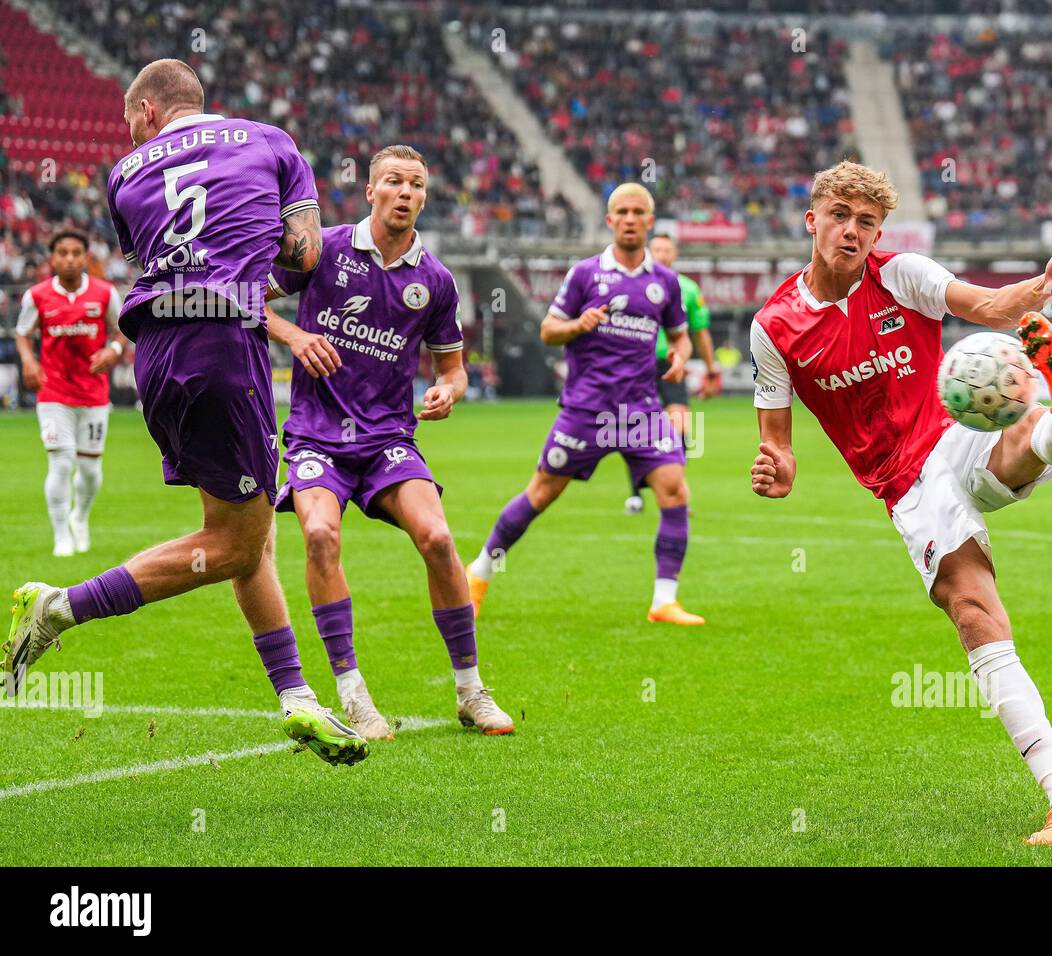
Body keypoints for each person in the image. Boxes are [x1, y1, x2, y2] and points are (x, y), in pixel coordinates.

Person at [3, 59, 366, 765]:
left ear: (146, 114)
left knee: (244, 526)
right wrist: (274, 267)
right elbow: (305, 250)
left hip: (155, 354)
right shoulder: (270, 141)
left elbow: (160, 257)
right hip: (224, 347)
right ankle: (57, 607)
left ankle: (296, 699)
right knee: (234, 541)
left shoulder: (125, 172)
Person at [750, 162, 1052, 845]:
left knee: (1025, 428)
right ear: (812, 218)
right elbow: (778, 442)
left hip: (952, 434)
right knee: (973, 609)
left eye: (867, 222)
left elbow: (989, 308)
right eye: (841, 215)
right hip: (906, 486)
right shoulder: (774, 328)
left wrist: (1043, 285)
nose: (852, 230)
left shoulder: (900, 274)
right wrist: (778, 467)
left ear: (879, 232)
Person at [265, 144, 514, 739]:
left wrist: (449, 391)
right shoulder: (319, 249)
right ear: (371, 191)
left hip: (385, 439)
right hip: (316, 437)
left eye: (417, 184)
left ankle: (471, 691)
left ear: (426, 197)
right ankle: (353, 696)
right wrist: (296, 335)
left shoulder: (436, 281)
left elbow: (451, 368)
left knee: (437, 537)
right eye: (395, 182)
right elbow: (248, 302)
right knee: (321, 535)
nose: (406, 192)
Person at [466, 183, 704, 626]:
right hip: (586, 409)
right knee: (541, 493)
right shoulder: (585, 274)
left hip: (641, 411)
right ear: (610, 220)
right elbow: (548, 331)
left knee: (675, 490)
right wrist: (579, 324)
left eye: (638, 212)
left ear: (650, 222)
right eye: (622, 212)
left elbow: (680, 337)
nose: (630, 219)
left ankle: (664, 601)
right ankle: (478, 574)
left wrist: (682, 357)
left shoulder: (665, 282)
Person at [14, 229, 127, 556]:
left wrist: (113, 351)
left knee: (90, 470)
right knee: (61, 464)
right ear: (52, 257)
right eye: (62, 252)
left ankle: (81, 516)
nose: (69, 258)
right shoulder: (37, 296)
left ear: (85, 257)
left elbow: (122, 331)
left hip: (93, 393)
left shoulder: (105, 294)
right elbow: (23, 334)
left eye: (76, 252)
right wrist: (28, 361)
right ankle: (61, 533)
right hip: (53, 393)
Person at [624, 233, 721, 515]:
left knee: (679, 428)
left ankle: (676, 490)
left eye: (667, 250)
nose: (662, 254)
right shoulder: (632, 283)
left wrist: (712, 368)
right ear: (648, 251)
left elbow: (699, 332)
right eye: (657, 249)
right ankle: (636, 494)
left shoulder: (689, 289)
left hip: (672, 365)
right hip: (637, 364)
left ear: (674, 254)